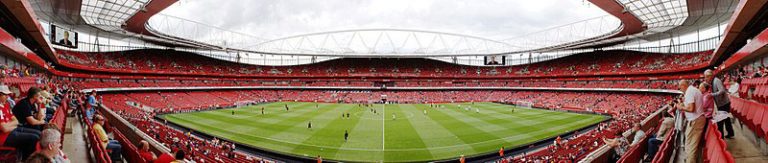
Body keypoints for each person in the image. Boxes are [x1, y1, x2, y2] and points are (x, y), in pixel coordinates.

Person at [1, 85, 40, 160]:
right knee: (34, 137)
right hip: (4, 137)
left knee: (38, 133)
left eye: (8, 95)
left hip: (12, 131)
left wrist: (8, 125)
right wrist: (11, 125)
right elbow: (4, 129)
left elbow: (16, 121)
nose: (7, 97)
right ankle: (27, 160)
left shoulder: (6, 105)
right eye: (5, 95)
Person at [677, 80, 705, 163]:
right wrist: (683, 104)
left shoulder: (689, 91)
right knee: (690, 145)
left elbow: (691, 109)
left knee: (690, 146)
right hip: (697, 120)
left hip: (695, 121)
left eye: (680, 87)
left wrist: (680, 107)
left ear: (683, 85)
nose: (680, 89)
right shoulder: (693, 90)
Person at [705, 70, 734, 138]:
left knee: (720, 121)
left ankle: (721, 137)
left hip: (724, 103)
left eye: (706, 77)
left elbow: (722, 90)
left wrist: (712, 94)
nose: (706, 79)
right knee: (727, 119)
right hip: (722, 103)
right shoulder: (712, 82)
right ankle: (730, 133)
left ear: (710, 76)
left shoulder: (716, 80)